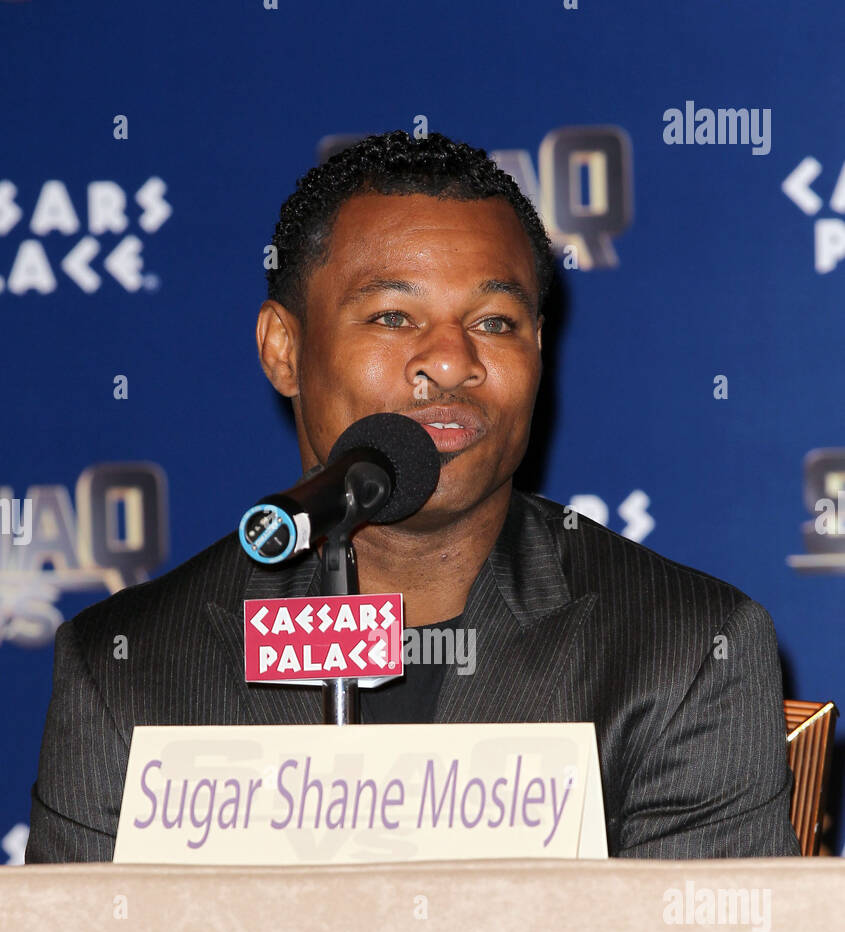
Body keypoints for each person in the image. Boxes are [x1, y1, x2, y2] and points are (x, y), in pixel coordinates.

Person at [25, 130, 800, 861]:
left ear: (537, 348)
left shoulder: (683, 651)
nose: (452, 362)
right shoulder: (126, 667)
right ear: (283, 350)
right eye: (393, 316)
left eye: (494, 321)